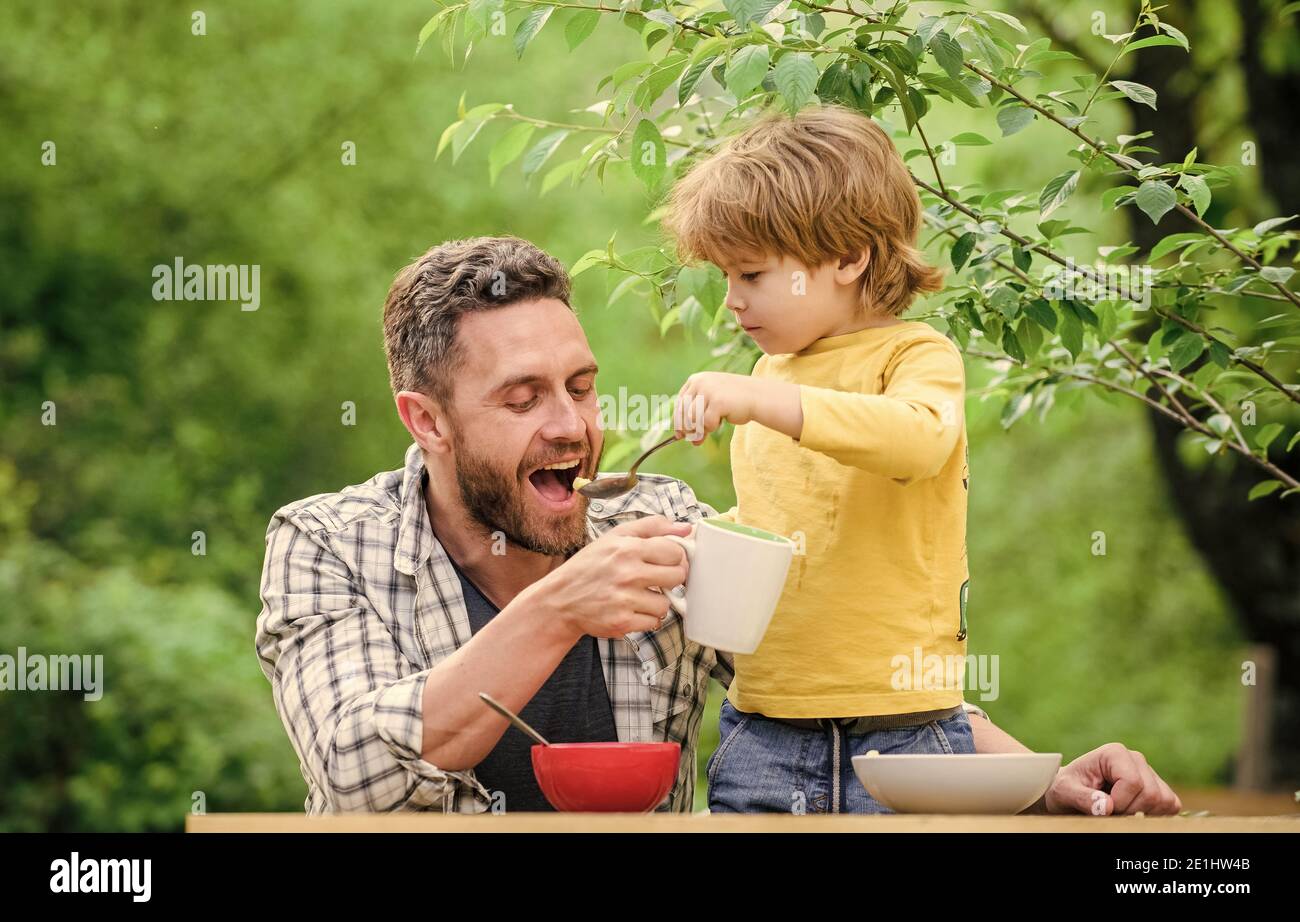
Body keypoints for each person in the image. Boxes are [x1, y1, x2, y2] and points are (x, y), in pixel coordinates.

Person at [254, 234, 1182, 817]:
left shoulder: (662, 524)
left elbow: (837, 676)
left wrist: (1035, 784)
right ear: (429, 422)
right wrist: (559, 610)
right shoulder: (331, 543)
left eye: (580, 387)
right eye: (522, 397)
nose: (571, 426)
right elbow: (353, 780)